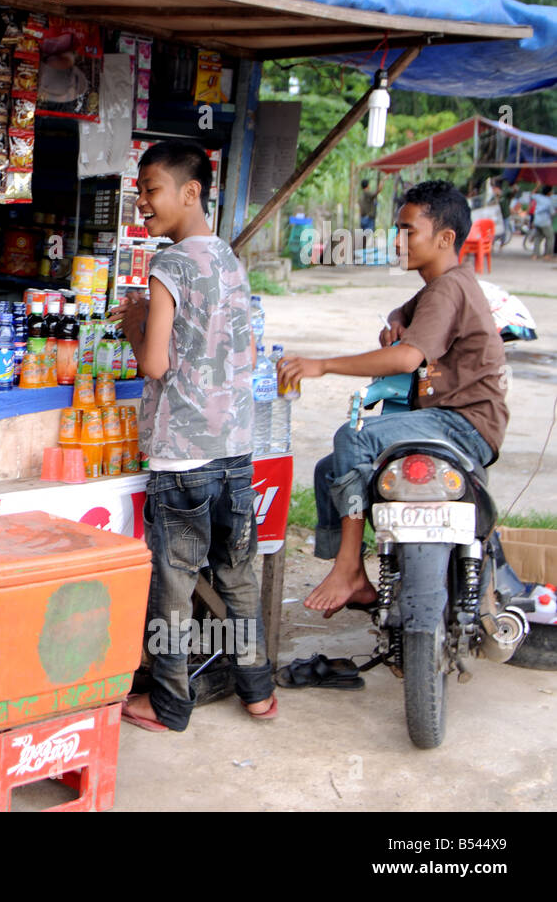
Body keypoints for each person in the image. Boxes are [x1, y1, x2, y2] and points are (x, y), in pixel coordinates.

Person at [278, 180, 508, 617]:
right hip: (459, 422)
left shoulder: (447, 289)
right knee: (331, 469)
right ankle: (361, 569)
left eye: (407, 231)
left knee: (353, 439)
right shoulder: (445, 284)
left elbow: (405, 359)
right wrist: (397, 319)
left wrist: (322, 365)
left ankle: (349, 569)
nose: (396, 241)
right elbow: (404, 313)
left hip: (463, 423)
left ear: (444, 238)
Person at [110, 140, 276, 732]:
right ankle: (258, 690)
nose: (142, 203)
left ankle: (169, 702)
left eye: (151, 190)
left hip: (182, 459)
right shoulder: (230, 261)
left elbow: (154, 365)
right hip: (234, 452)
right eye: (140, 192)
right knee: (237, 576)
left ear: (189, 192)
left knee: (174, 587)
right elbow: (250, 351)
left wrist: (133, 324)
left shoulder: (169, 265)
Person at [531, 185, 554, 260]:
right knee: (550, 238)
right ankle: (547, 255)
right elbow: (552, 213)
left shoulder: (539, 197)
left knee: (538, 237)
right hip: (545, 222)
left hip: (537, 221)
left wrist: (537, 186)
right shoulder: (549, 201)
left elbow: (532, 194)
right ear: (549, 192)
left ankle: (535, 255)